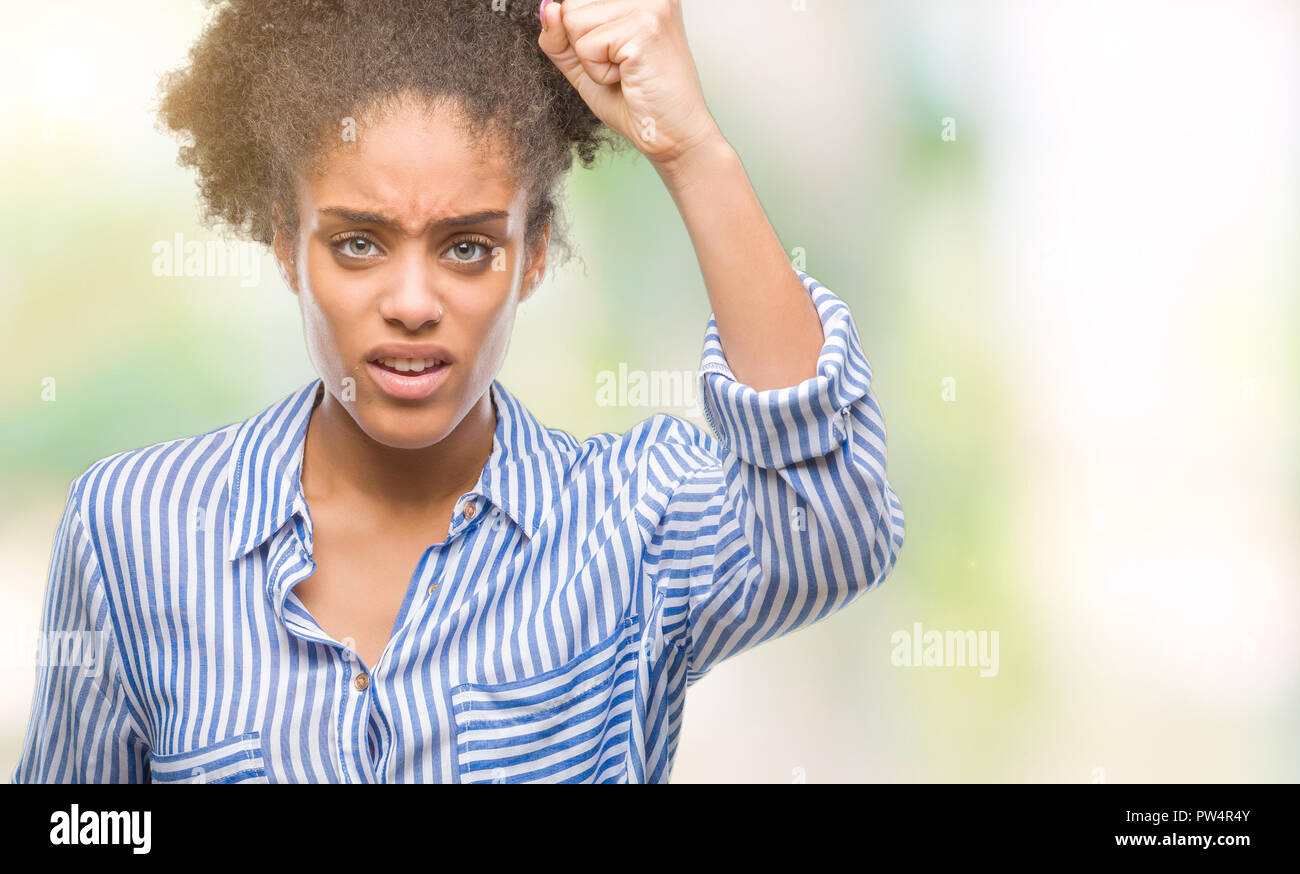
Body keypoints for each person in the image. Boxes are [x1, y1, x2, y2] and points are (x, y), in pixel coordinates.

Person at [12, 0, 904, 783]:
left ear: (536, 254)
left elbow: (832, 526)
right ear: (287, 243)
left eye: (468, 247)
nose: (411, 305)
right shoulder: (134, 528)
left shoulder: (630, 522)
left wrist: (690, 149)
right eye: (359, 243)